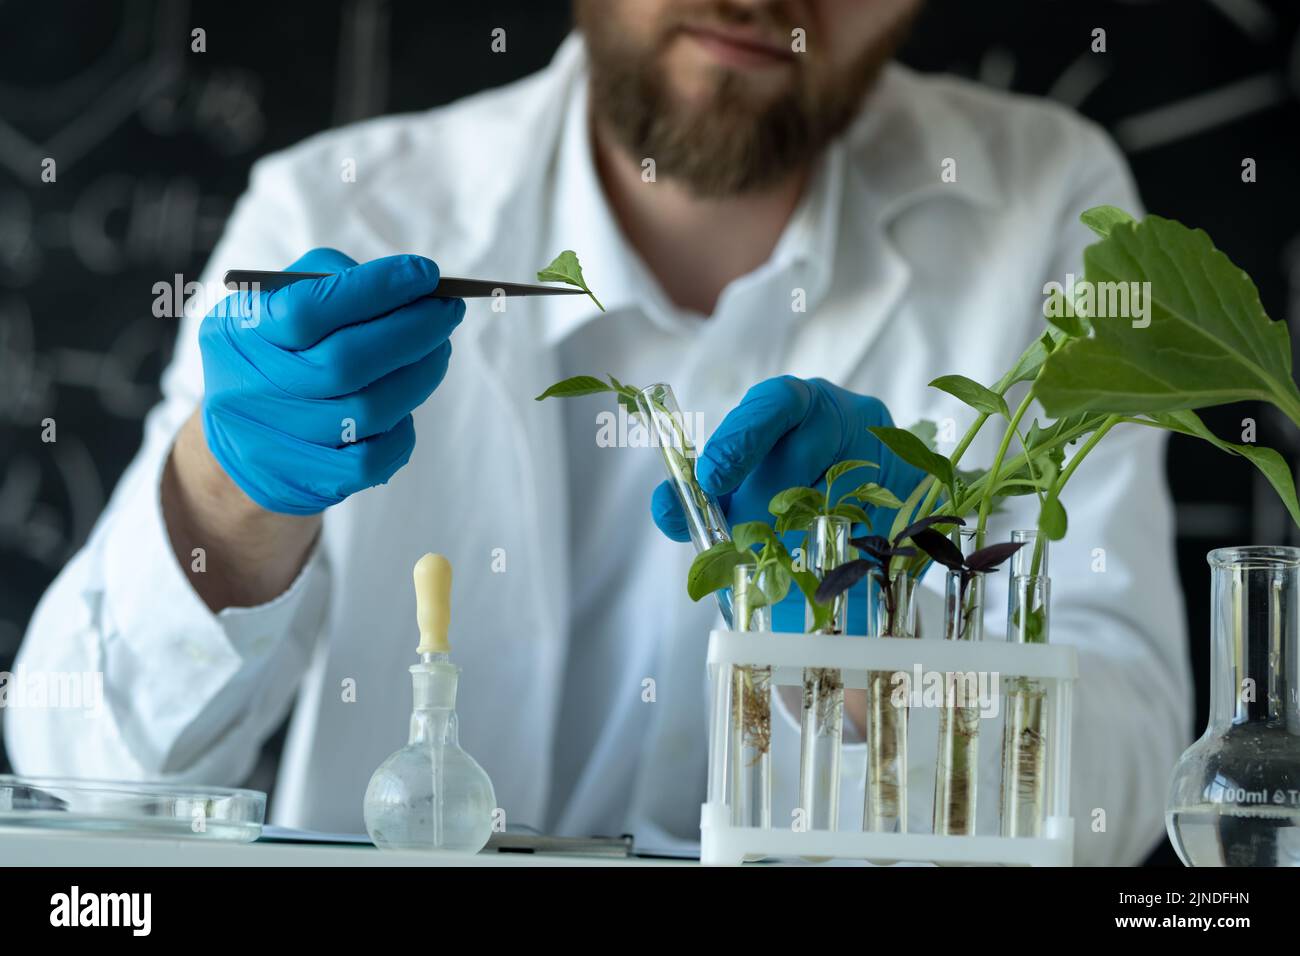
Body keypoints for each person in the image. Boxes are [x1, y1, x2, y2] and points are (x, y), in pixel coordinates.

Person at [7, 0, 1189, 863]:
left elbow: (1125, 775)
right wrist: (227, 494)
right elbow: (88, 771)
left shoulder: (1043, 203)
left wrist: (890, 632)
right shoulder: (339, 204)